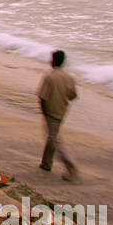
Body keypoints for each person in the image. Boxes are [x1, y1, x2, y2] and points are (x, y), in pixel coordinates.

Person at [37, 49, 79, 180]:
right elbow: (73, 95)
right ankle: (46, 163)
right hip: (62, 110)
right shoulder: (69, 77)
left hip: (51, 111)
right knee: (52, 136)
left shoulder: (49, 76)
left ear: (53, 61)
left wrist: (44, 111)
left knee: (54, 139)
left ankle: (70, 164)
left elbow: (42, 97)